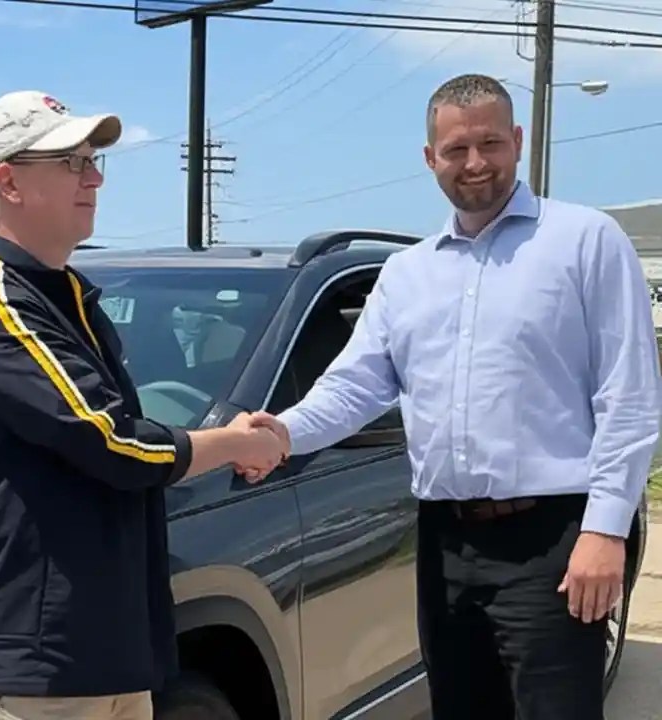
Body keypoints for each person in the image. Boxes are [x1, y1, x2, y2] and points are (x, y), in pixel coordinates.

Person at [247, 73, 661, 719]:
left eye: (491, 144)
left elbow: (628, 396)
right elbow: (355, 385)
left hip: (553, 537)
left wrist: (606, 531)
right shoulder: (407, 274)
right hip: (445, 542)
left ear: (518, 141)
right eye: (456, 149)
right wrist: (280, 434)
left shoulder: (584, 241)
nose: (475, 163)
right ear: (429, 158)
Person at [0, 90, 286, 720]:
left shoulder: (61, 293)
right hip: (36, 665)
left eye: (94, 160)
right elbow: (115, 442)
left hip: (97, 648)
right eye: (71, 162)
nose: (93, 176)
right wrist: (234, 443)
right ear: (8, 181)